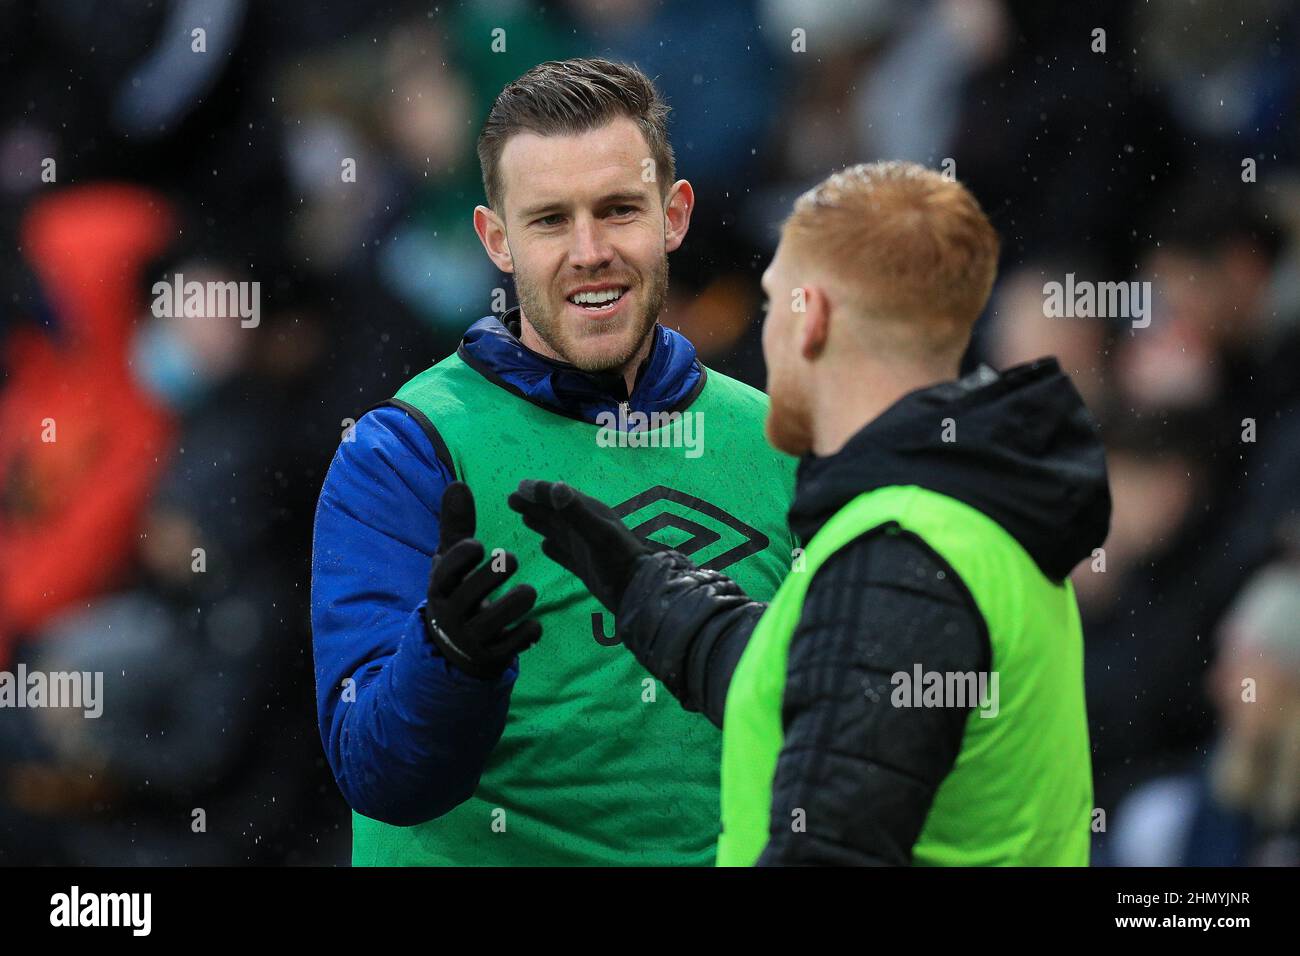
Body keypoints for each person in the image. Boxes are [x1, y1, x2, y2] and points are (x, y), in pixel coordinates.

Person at [509, 161, 1113, 865]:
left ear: (814, 317)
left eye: (772, 303)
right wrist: (650, 590)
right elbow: (823, 691)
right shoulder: (968, 514)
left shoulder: (899, 557)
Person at [310, 58, 796, 866]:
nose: (590, 250)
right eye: (548, 221)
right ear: (496, 239)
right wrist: (450, 662)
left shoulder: (780, 439)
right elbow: (377, 775)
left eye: (618, 210)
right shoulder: (403, 452)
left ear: (673, 216)